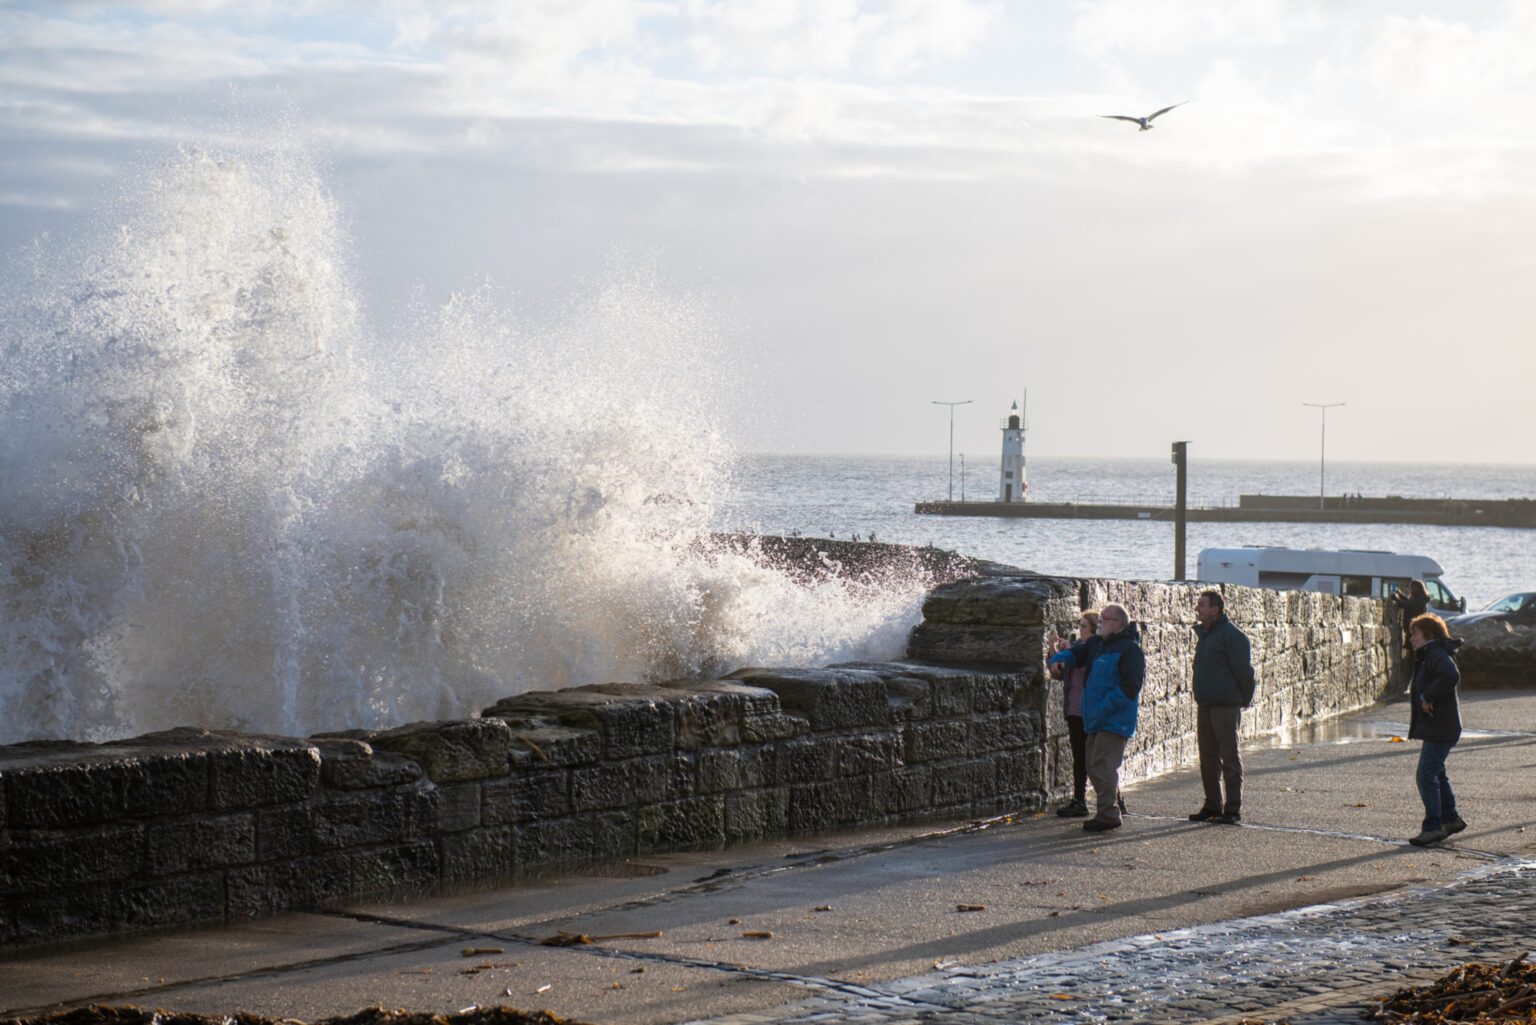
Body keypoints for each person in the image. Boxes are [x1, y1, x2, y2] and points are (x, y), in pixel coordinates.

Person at [1047, 603, 1145, 832]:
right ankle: (1108, 809)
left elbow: (1131, 686)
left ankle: (1108, 813)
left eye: (1104, 619)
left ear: (1118, 624)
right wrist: (1058, 661)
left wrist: (1104, 706)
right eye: (1099, 618)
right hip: (1096, 719)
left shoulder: (1129, 650)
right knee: (1093, 764)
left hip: (1114, 719)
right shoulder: (1097, 644)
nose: (1099, 622)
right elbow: (1074, 654)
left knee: (1102, 765)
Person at [1187, 590, 1256, 825]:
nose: (1198, 609)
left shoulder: (1231, 636)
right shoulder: (1205, 635)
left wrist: (1241, 700)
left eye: (1202, 605)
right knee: (1207, 758)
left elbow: (1244, 672)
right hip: (1205, 704)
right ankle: (1212, 804)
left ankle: (1233, 808)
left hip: (1224, 706)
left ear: (1215, 609)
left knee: (1229, 758)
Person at [1406, 612, 1466, 846]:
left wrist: (1427, 696)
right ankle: (1450, 818)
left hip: (1441, 726)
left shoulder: (1436, 653)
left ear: (1428, 635)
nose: (1412, 639)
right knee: (1436, 772)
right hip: (1440, 725)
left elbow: (1451, 675)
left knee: (1425, 775)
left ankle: (1434, 826)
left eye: (1415, 634)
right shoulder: (1431, 653)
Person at [1050, 610, 1100, 818]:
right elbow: (1057, 672)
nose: (1079, 630)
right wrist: (1053, 649)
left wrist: (1068, 651)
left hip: (1089, 709)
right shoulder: (1079, 648)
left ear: (1094, 629)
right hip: (1074, 710)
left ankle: (1112, 799)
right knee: (1080, 757)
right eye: (1079, 626)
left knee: (1096, 758)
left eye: (1083, 626)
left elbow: (1083, 664)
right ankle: (1080, 799)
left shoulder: (1095, 648)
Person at [1393, 581, 1430, 681]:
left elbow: (1404, 605)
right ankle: (1413, 681)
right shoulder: (1421, 599)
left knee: (1413, 659)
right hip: (1416, 632)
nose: (1410, 590)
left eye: (1411, 588)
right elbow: (1409, 602)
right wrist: (1400, 595)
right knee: (1413, 657)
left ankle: (1414, 681)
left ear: (1416, 589)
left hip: (1414, 633)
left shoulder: (1419, 601)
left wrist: (1395, 598)